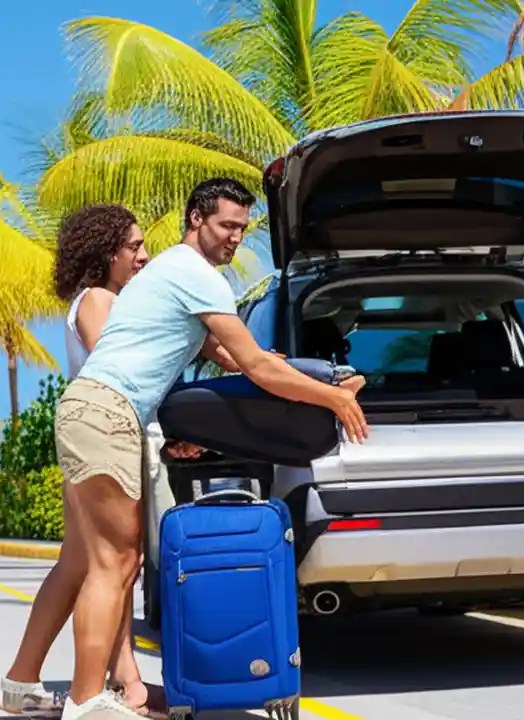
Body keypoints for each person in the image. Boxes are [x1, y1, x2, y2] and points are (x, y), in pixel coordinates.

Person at [54, 177, 369, 720]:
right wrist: (331, 400)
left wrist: (320, 378)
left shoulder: (170, 276)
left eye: (243, 231)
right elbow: (256, 367)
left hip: (100, 412)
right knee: (112, 564)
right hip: (106, 414)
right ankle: (85, 703)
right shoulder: (194, 274)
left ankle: (92, 697)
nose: (235, 239)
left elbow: (227, 356)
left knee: (117, 563)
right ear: (195, 220)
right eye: (226, 226)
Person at [0, 203, 172, 718]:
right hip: (104, 436)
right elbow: (115, 366)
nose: (144, 256)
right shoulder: (98, 299)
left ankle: (22, 681)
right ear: (107, 253)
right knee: (116, 563)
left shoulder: (90, 299)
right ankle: (102, 693)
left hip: (82, 437)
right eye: (134, 247)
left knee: (78, 564)